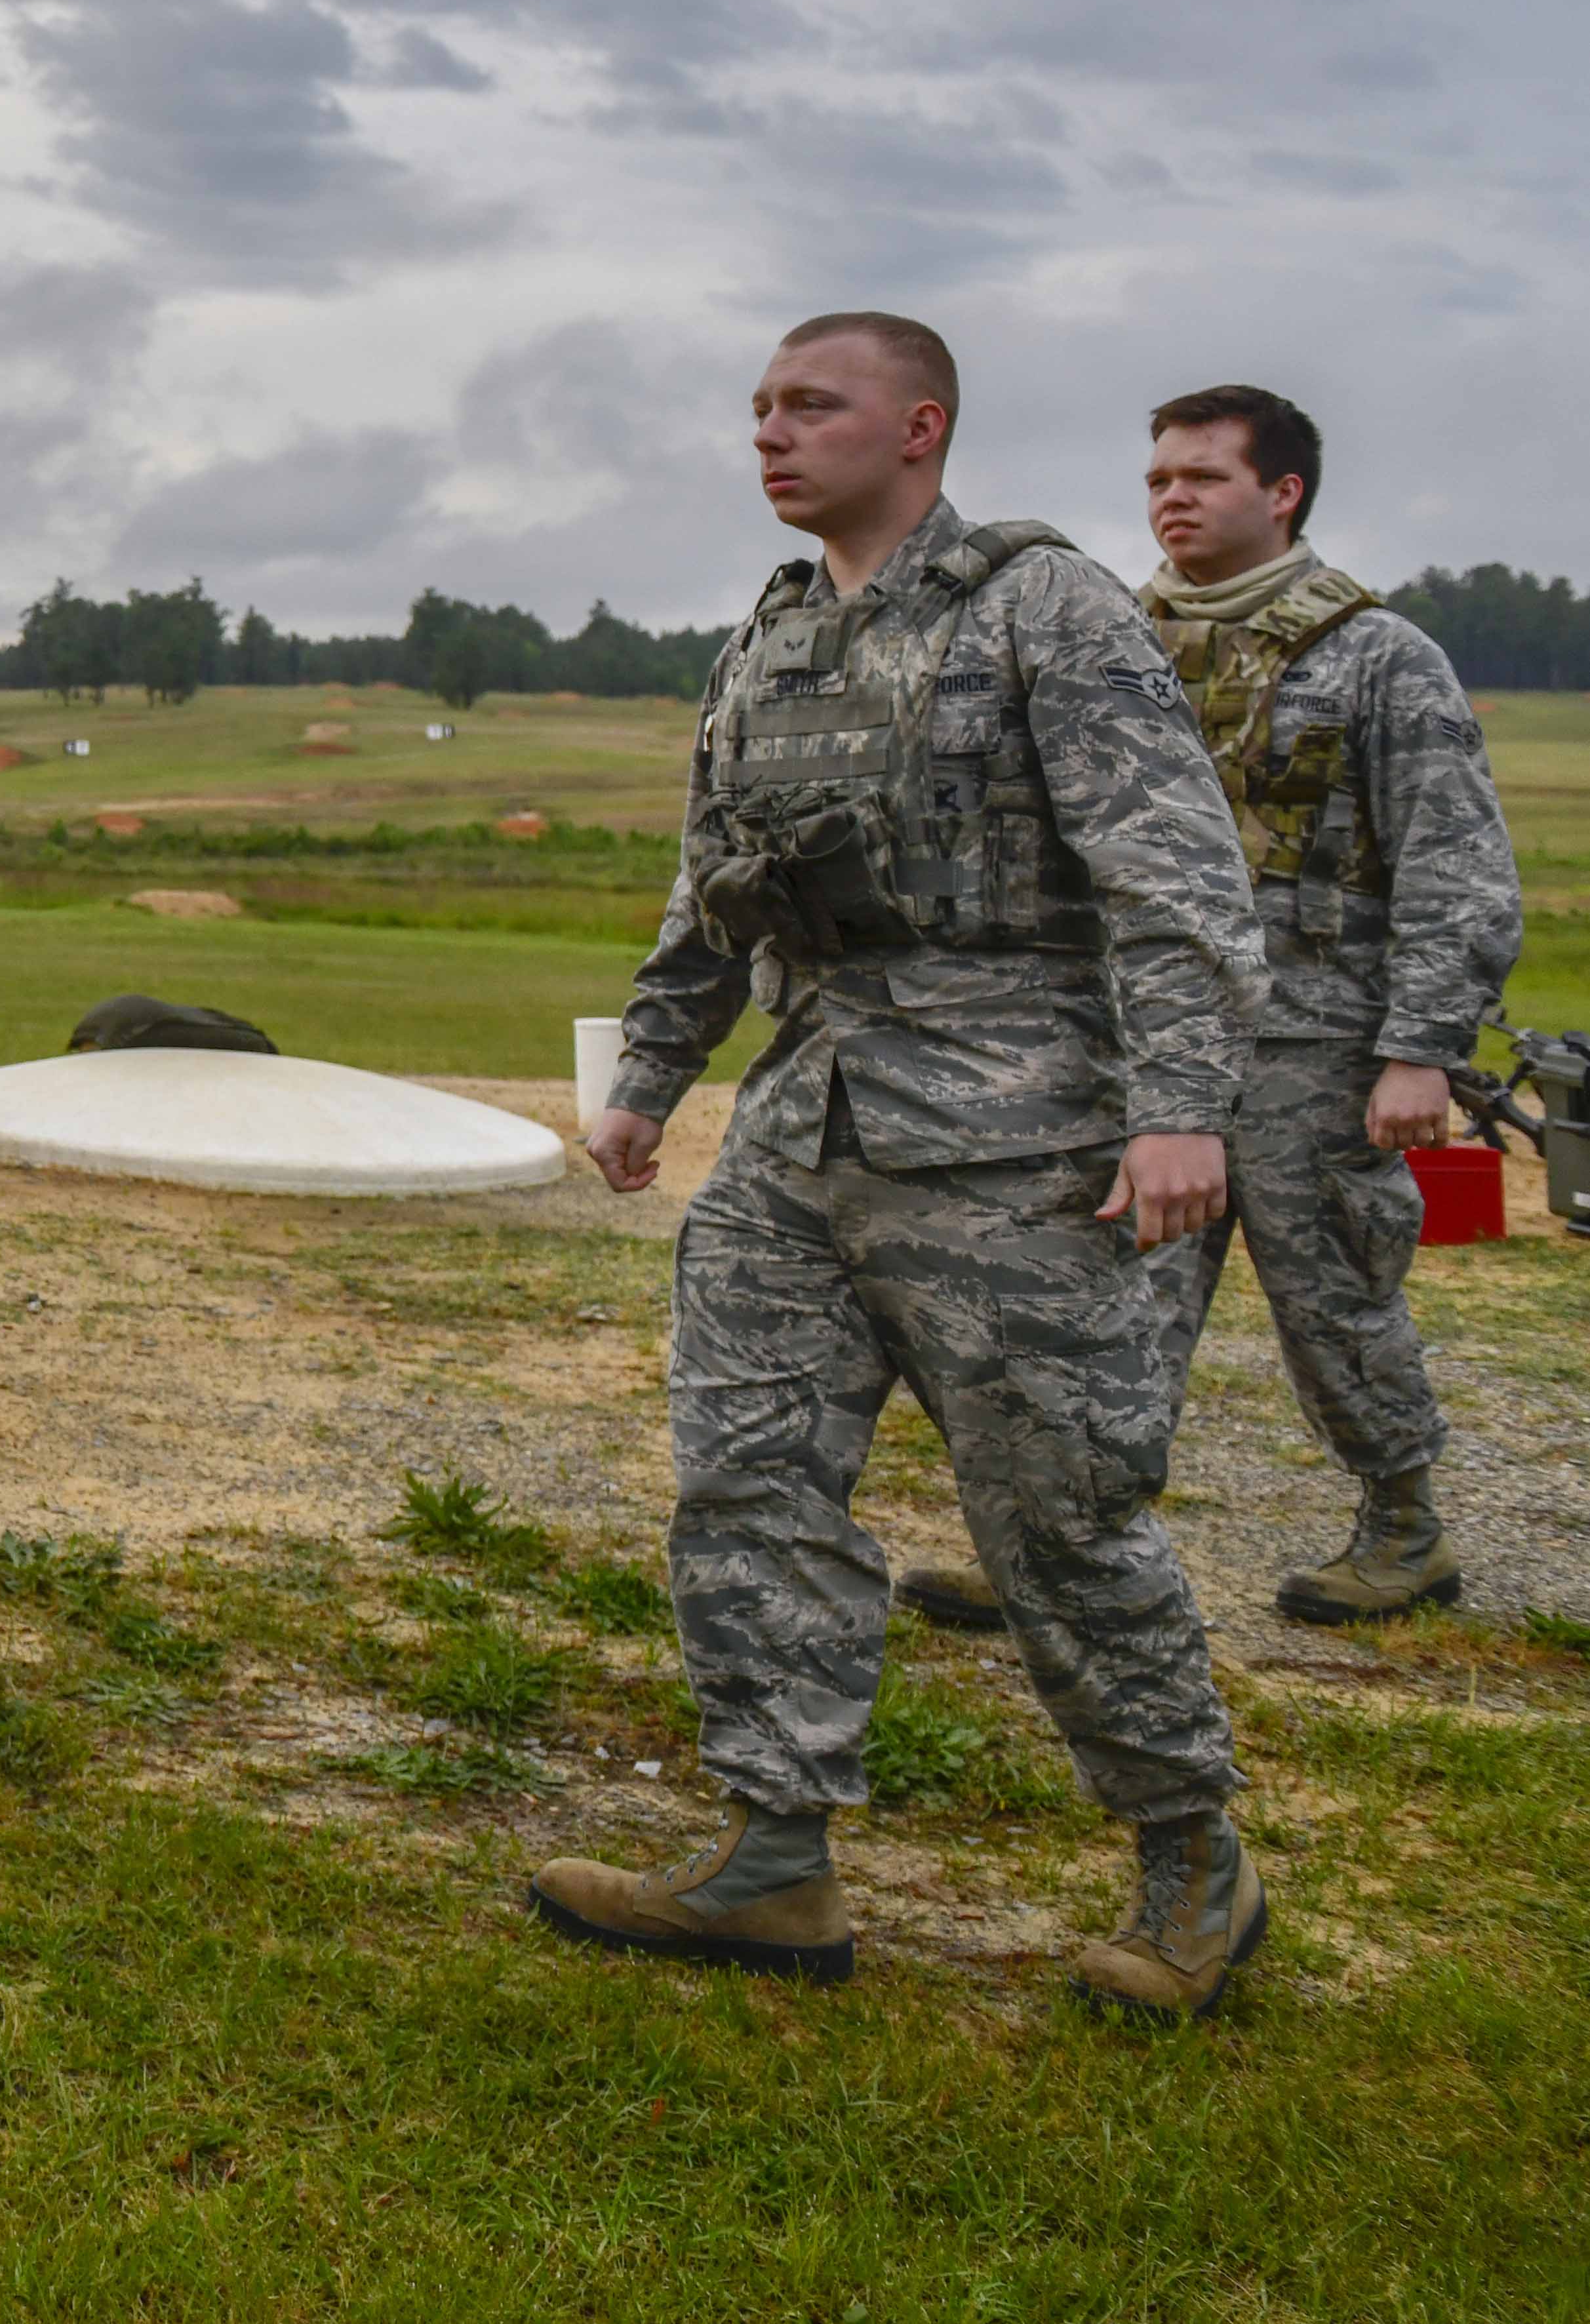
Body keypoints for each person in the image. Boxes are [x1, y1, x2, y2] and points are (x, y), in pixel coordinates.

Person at [544, 313, 1275, 2019]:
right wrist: (656, 1069)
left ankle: (1191, 1862)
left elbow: (1174, 878)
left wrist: (1180, 1106)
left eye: (813, 405)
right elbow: (713, 875)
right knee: (746, 1476)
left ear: (921, 425)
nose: (772, 435)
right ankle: (774, 1854)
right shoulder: (774, 637)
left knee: (1055, 1513)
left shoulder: (1043, 604)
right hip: (807, 1121)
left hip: (1016, 1127)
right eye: (759, 408)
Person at [894, 386, 1509, 1632]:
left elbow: (1455, 862)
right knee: (1103, 1298)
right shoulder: (1109, 638)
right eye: (1157, 478)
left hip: (1314, 1044)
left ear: (1281, 494)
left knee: (1333, 1296)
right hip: (1141, 1039)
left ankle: (1404, 1525)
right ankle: (1060, 1544)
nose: (1171, 498)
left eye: (1203, 477)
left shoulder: (1378, 657)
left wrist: (1419, 1050)